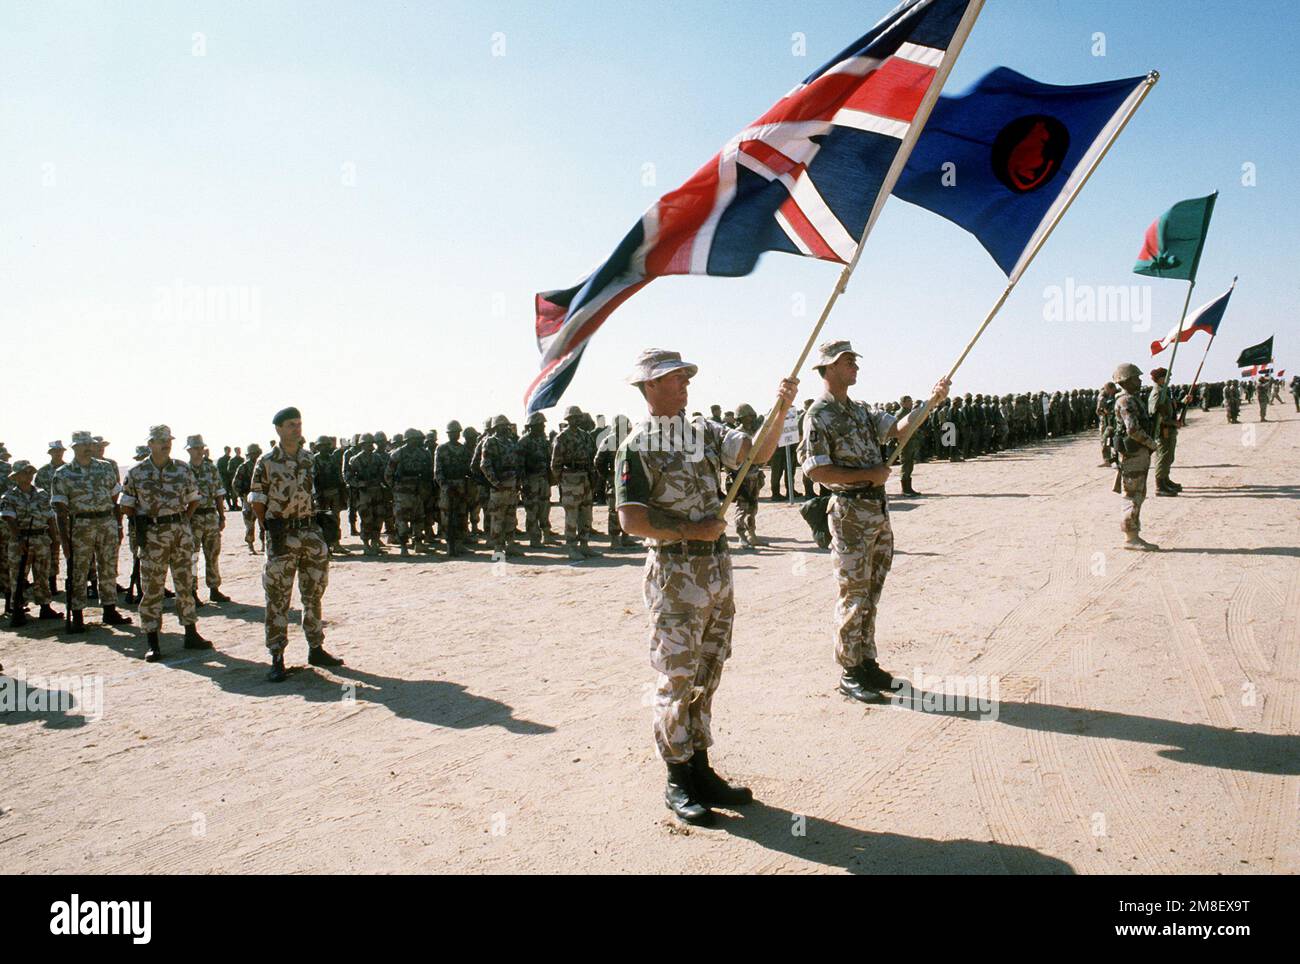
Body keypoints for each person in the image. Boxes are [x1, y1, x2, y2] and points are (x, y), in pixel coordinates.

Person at [615, 348, 798, 826]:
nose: (685, 384)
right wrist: (690, 531)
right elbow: (631, 519)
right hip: (675, 576)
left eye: (686, 377)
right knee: (676, 677)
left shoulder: (703, 432)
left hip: (715, 572)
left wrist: (779, 411)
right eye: (675, 378)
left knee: (707, 673)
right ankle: (678, 777)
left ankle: (701, 767)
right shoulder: (636, 445)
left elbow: (758, 451)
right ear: (648, 387)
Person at [798, 340, 950, 704]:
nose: (856, 367)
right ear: (830, 367)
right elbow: (817, 470)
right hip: (850, 513)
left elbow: (898, 429)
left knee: (872, 591)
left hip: (876, 512)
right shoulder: (819, 415)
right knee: (853, 593)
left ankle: (866, 661)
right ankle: (850, 671)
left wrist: (932, 402)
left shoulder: (862, 410)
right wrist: (870, 474)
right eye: (849, 361)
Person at [249, 406, 341, 682]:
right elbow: (256, 500)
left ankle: (316, 647)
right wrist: (270, 528)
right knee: (278, 597)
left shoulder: (308, 458)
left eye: (299, 424)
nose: (297, 428)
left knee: (314, 592)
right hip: (281, 535)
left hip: (310, 533)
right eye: (291, 424)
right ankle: (277, 657)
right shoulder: (266, 461)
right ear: (278, 429)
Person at [120, 425, 210, 660]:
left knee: (185, 585)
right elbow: (126, 504)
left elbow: (194, 499)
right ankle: (153, 641)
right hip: (152, 537)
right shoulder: (137, 472)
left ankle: (191, 633)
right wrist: (145, 524)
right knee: (152, 588)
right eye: (160, 440)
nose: (166, 443)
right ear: (150, 444)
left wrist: (181, 521)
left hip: (181, 535)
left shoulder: (182, 468)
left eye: (168, 439)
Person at [50, 431, 132, 633]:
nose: (87, 447)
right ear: (74, 448)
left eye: (90, 444)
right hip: (80, 526)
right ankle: (77, 615)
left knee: (108, 567)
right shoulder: (63, 473)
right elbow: (60, 510)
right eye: (82, 444)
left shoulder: (104, 468)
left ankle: (110, 610)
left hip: (106, 522)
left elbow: (115, 500)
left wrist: (118, 525)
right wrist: (64, 540)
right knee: (79, 570)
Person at [2, 460, 62, 626]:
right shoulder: (9, 497)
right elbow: (9, 519)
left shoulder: (42, 494)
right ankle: (18, 609)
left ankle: (45, 606)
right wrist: (19, 539)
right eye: (24, 472)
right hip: (21, 540)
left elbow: (50, 517)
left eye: (30, 472)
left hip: (41, 539)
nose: (28, 476)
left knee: (42, 574)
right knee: (19, 576)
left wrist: (54, 538)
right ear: (15, 476)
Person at [1111, 363, 1160, 551]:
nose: (1140, 381)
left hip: (1137, 452)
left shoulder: (1133, 399)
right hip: (1133, 452)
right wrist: (1150, 443)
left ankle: (1133, 535)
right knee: (1132, 494)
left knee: (1138, 493)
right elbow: (1132, 429)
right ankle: (1131, 538)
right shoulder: (1126, 401)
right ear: (1126, 380)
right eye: (1136, 378)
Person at [185, 434, 230, 604]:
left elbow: (219, 494)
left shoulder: (211, 469)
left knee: (212, 554)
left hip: (211, 516)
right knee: (192, 556)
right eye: (195, 448)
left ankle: (214, 588)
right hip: (193, 518)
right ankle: (192, 591)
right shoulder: (184, 470)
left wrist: (222, 516)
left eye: (201, 448)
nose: (199, 451)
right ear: (189, 450)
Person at [1148, 367, 1181, 496]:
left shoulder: (1164, 392)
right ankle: (1160, 486)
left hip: (1169, 429)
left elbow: (1170, 407)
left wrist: (1183, 401)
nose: (1169, 380)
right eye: (1167, 377)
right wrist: (1173, 423)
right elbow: (1155, 414)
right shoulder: (1157, 393)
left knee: (1168, 456)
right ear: (1160, 378)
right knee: (1163, 457)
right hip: (1163, 430)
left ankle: (1165, 480)